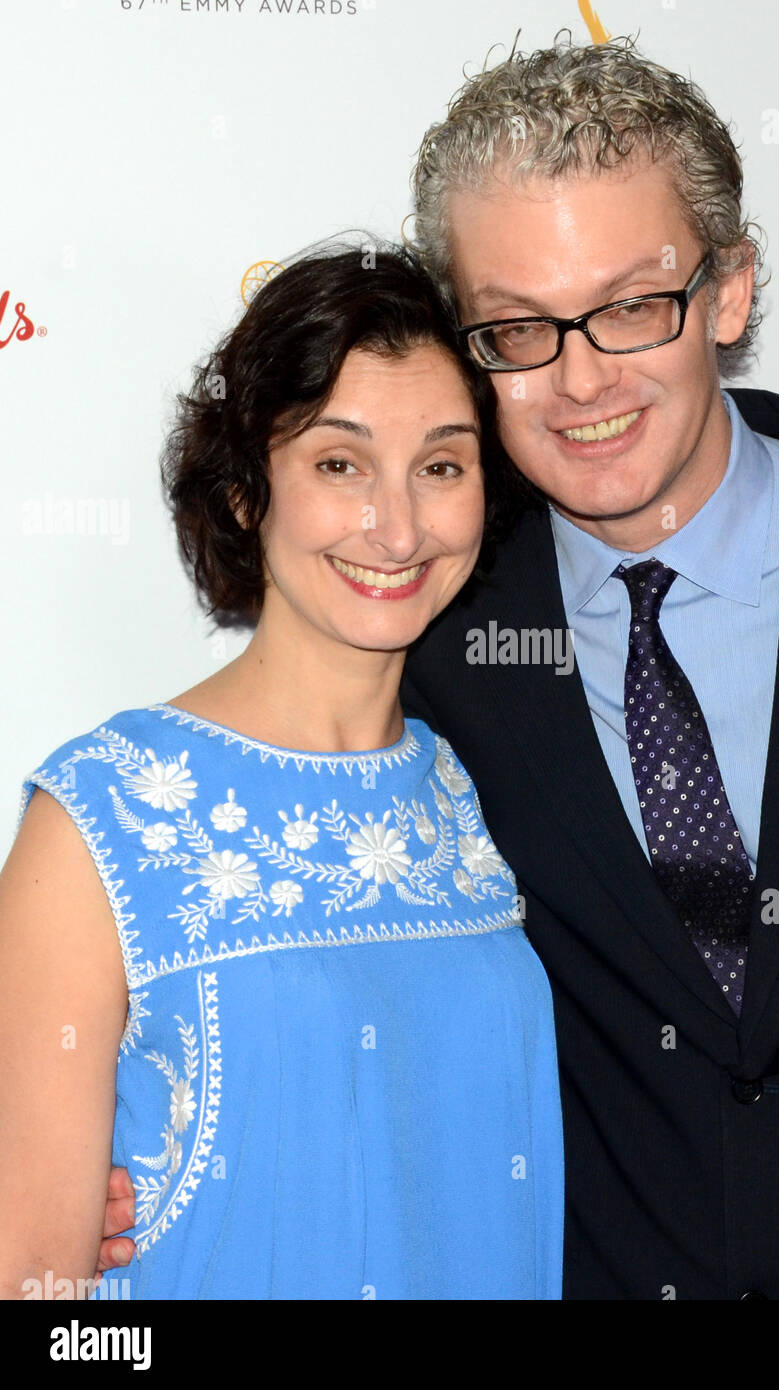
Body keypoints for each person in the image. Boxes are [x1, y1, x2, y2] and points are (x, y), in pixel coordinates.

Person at [99, 36, 779, 1300]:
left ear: (731, 292)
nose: (581, 377)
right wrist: (141, 1168)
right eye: (518, 328)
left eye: (633, 305)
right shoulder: (419, 627)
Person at [0, 243, 564, 1300]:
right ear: (247, 492)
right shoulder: (101, 815)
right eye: (339, 463)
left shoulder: (469, 792)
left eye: (440, 465)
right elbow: (29, 1281)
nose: (395, 527)